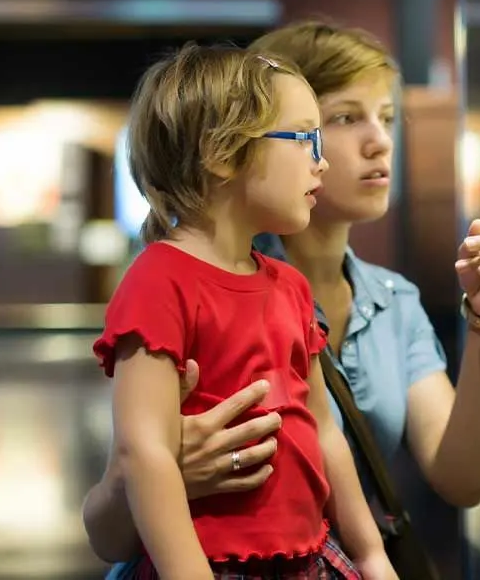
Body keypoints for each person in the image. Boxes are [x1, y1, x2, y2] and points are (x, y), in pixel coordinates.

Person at [83, 21, 480, 570]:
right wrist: (159, 472)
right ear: (228, 146)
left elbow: (461, 476)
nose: (380, 141)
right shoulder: (175, 278)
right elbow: (122, 501)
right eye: (341, 121)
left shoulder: (383, 298)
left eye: (389, 118)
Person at [92, 45, 393, 579]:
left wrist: (371, 555)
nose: (319, 160)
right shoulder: (159, 280)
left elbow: (325, 431)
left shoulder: (290, 287)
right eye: (306, 138)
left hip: (307, 556)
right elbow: (145, 453)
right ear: (222, 152)